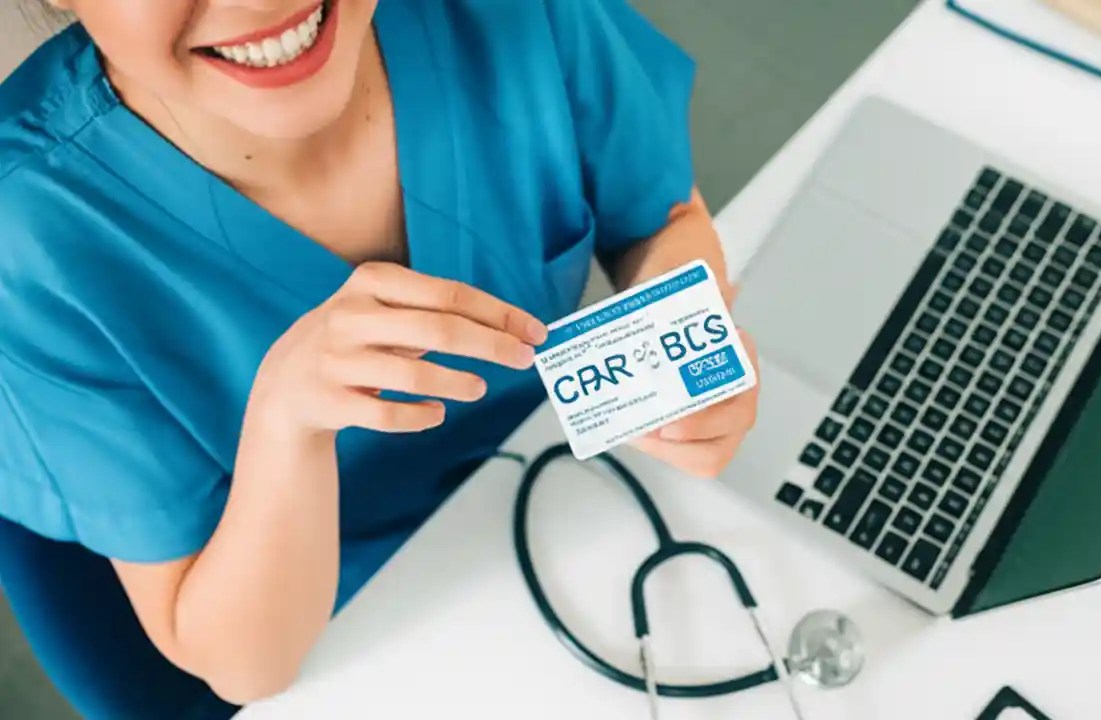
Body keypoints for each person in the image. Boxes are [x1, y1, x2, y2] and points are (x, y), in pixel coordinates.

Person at [0, 0, 760, 706]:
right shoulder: (30, 244)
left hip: (595, 502)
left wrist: (686, 339)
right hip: (364, 628)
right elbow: (243, 666)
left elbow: (660, 216)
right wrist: (285, 428)